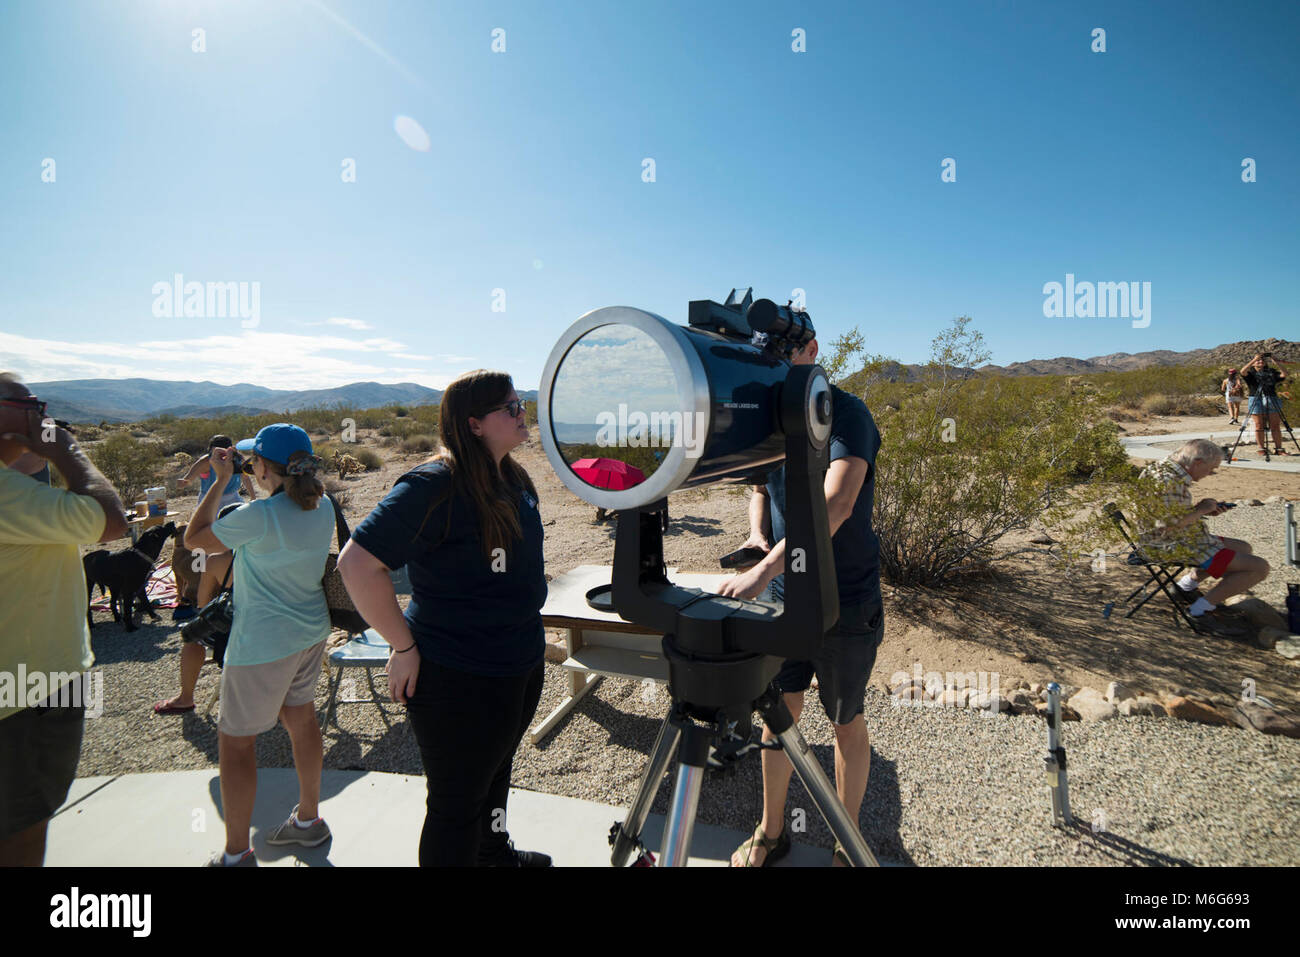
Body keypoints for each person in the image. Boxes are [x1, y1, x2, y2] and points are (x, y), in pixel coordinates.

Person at [339, 371, 550, 867]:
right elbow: (357, 563)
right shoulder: (435, 484)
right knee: (456, 804)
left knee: (497, 773)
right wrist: (402, 646)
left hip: (518, 661)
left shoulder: (512, 476)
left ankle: (493, 855)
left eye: (521, 404)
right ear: (474, 424)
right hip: (459, 673)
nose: (523, 414)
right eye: (511, 408)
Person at [716, 337, 884, 867]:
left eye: (782, 353)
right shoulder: (773, 418)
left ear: (810, 349)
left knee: (844, 720)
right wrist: (758, 537)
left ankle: (847, 840)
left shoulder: (846, 415)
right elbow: (762, 487)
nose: (771, 366)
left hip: (846, 599)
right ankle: (771, 832)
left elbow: (835, 505)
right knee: (778, 712)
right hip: (789, 595)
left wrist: (765, 570)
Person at [182, 424, 337, 866]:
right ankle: (308, 822)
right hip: (310, 632)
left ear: (265, 467)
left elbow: (195, 540)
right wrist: (246, 476)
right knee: (301, 720)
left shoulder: (259, 517)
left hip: (262, 645)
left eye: (253, 463)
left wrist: (219, 479)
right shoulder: (321, 504)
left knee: (235, 744)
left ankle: (236, 854)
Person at [0, 373, 129, 865]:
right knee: (23, 826)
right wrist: (66, 448)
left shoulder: (15, 492)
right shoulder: (8, 495)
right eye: (31, 406)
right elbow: (110, 519)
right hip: (29, 692)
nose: (41, 417)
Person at [155, 437, 256, 713]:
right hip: (271, 622)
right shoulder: (264, 549)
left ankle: (186, 696)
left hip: (238, 627)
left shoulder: (216, 561)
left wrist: (197, 479)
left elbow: (203, 606)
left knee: (193, 634)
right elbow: (247, 479)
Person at [1140, 439, 1269, 638]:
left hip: (1178, 537)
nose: (1211, 474)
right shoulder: (1168, 481)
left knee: (1243, 548)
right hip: (1170, 543)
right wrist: (1201, 510)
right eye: (1211, 469)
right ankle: (1199, 612)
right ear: (1198, 463)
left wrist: (1204, 511)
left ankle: (1185, 587)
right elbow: (1166, 525)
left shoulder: (1166, 467)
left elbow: (1169, 514)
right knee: (1259, 567)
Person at [1241, 354, 1288, 455]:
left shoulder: (1271, 372)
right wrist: (1254, 359)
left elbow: (1284, 374)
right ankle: (1261, 448)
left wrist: (1277, 362)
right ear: (1253, 363)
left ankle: (1279, 449)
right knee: (1259, 425)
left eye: (1262, 360)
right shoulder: (1250, 374)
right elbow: (1242, 371)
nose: (1260, 361)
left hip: (1271, 398)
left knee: (1275, 425)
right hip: (1255, 399)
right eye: (1258, 360)